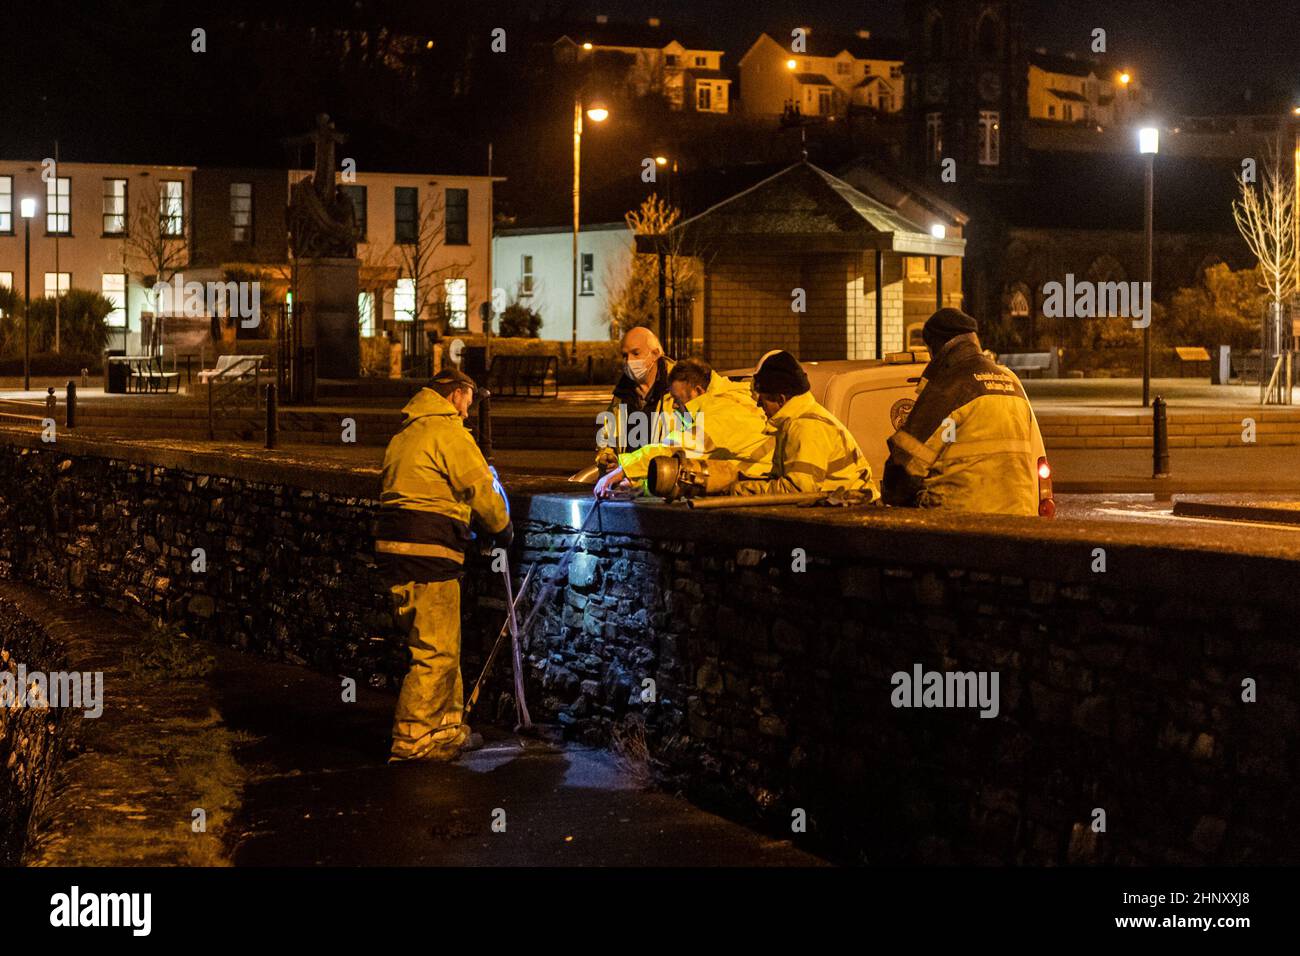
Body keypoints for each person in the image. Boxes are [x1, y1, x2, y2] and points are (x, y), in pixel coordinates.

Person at [376, 367, 511, 763]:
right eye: (468, 401)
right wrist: (502, 527)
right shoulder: (448, 432)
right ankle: (414, 740)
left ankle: (446, 729)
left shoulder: (405, 435)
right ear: (455, 394)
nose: (467, 412)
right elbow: (480, 488)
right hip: (430, 553)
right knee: (434, 652)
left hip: (396, 554)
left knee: (443, 646)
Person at [882, 308, 1045, 515]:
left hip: (964, 521)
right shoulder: (1010, 383)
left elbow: (904, 468)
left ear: (938, 348)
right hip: (1018, 517)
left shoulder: (948, 388)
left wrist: (891, 493)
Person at [594, 357, 774, 498]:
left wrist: (623, 469)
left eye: (677, 400)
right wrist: (640, 485)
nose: (674, 406)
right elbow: (689, 467)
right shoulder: (720, 404)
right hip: (748, 486)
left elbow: (671, 448)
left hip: (757, 489)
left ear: (698, 391)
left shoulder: (724, 413)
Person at [727, 350, 879, 498]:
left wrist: (739, 489)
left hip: (849, 510)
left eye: (763, 398)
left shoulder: (806, 427)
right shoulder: (795, 422)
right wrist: (740, 480)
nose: (759, 404)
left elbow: (798, 490)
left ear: (781, 399)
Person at [595, 326, 677, 471]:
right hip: (628, 479)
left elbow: (686, 443)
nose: (629, 361)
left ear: (655, 354)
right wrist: (607, 455)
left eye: (636, 353)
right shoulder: (622, 393)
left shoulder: (678, 390)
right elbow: (607, 436)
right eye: (625, 355)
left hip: (664, 477)